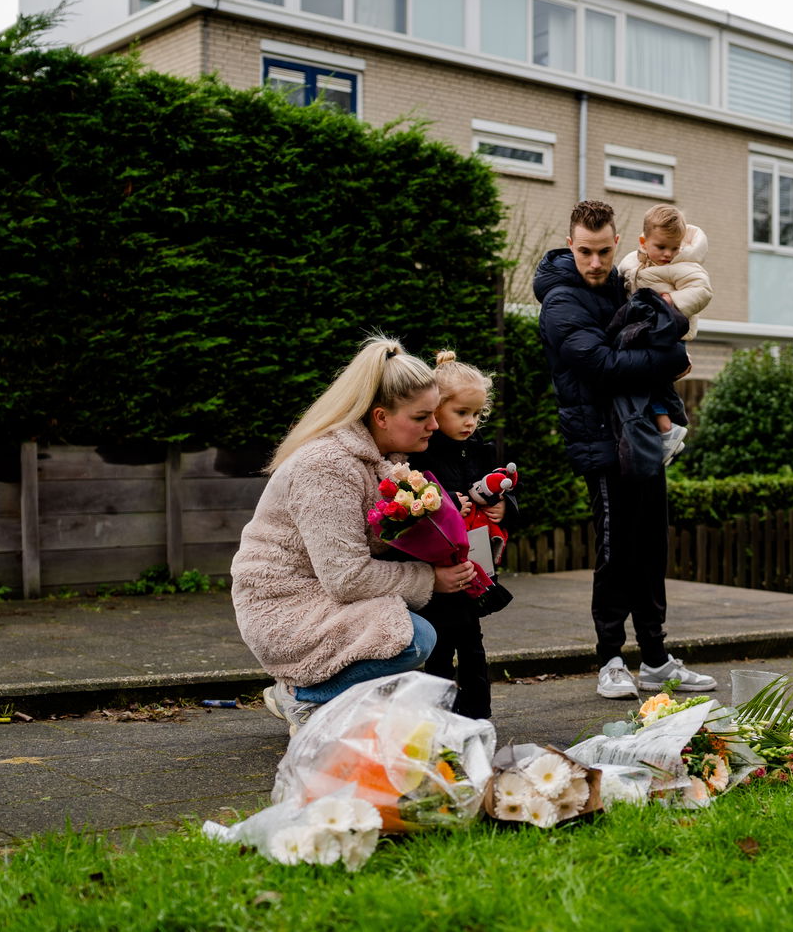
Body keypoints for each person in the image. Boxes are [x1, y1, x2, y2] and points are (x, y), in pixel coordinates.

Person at [230, 337, 476, 734]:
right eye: (421, 416)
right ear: (380, 417)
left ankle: (336, 703)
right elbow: (347, 578)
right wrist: (431, 578)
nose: (434, 425)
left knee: (421, 622)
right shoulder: (327, 467)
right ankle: (301, 696)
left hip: (320, 591)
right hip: (283, 605)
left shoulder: (383, 459)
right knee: (413, 639)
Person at [534, 199, 717, 699]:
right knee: (617, 553)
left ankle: (656, 659)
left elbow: (654, 322)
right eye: (585, 252)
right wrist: (669, 353)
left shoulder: (623, 280)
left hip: (638, 435)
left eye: (602, 251)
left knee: (651, 549)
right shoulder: (561, 301)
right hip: (599, 442)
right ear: (570, 245)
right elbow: (601, 364)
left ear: (618, 243)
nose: (594, 263)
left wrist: (660, 346)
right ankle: (611, 659)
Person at [405, 351, 516, 720]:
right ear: (436, 408)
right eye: (462, 413)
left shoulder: (481, 451)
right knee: (438, 644)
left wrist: (506, 508)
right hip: (439, 567)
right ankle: (437, 715)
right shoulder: (423, 454)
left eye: (477, 414)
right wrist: (448, 502)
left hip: (476, 563)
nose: (471, 422)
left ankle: (477, 714)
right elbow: (417, 498)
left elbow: (497, 490)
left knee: (472, 643)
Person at [616, 204, 712, 465]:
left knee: (649, 382)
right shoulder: (630, 262)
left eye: (674, 247)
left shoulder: (686, 265)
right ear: (643, 242)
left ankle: (667, 428)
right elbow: (623, 280)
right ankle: (664, 433)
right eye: (661, 247)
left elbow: (702, 291)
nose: (668, 254)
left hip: (666, 334)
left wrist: (672, 300)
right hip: (644, 332)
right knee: (650, 385)